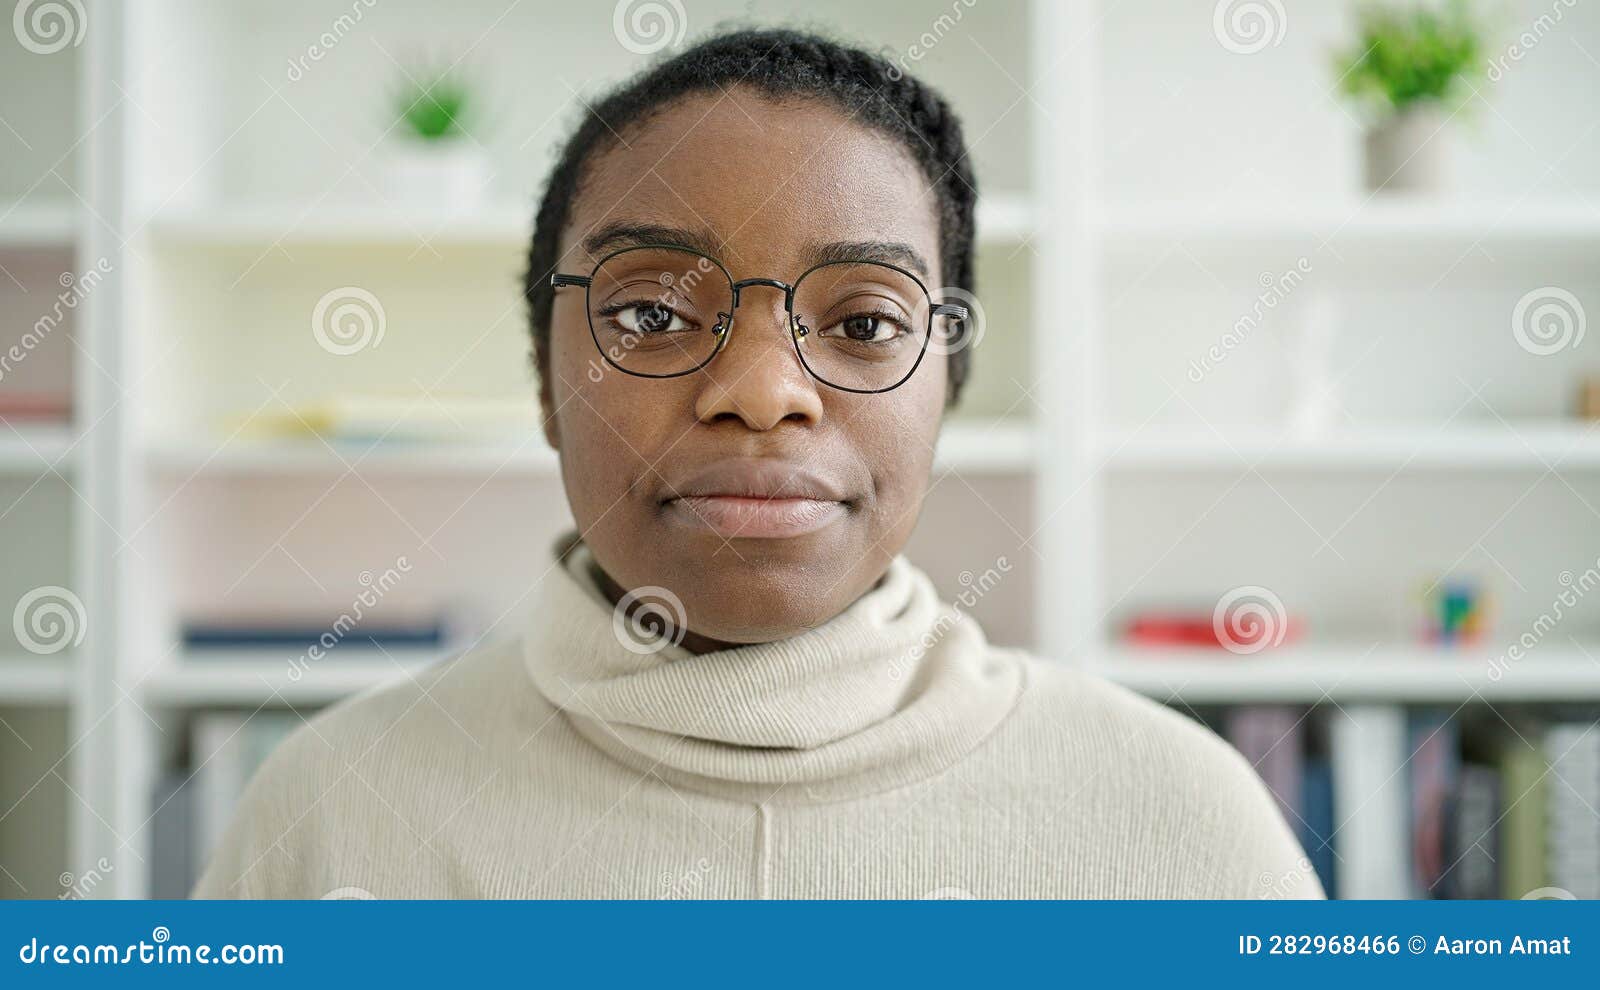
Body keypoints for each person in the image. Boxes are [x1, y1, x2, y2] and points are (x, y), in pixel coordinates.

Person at [194, 27, 1321, 900]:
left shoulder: (1180, 821)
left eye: (866, 323)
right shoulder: (331, 811)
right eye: (648, 311)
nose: (762, 391)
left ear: (948, 385)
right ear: (545, 379)